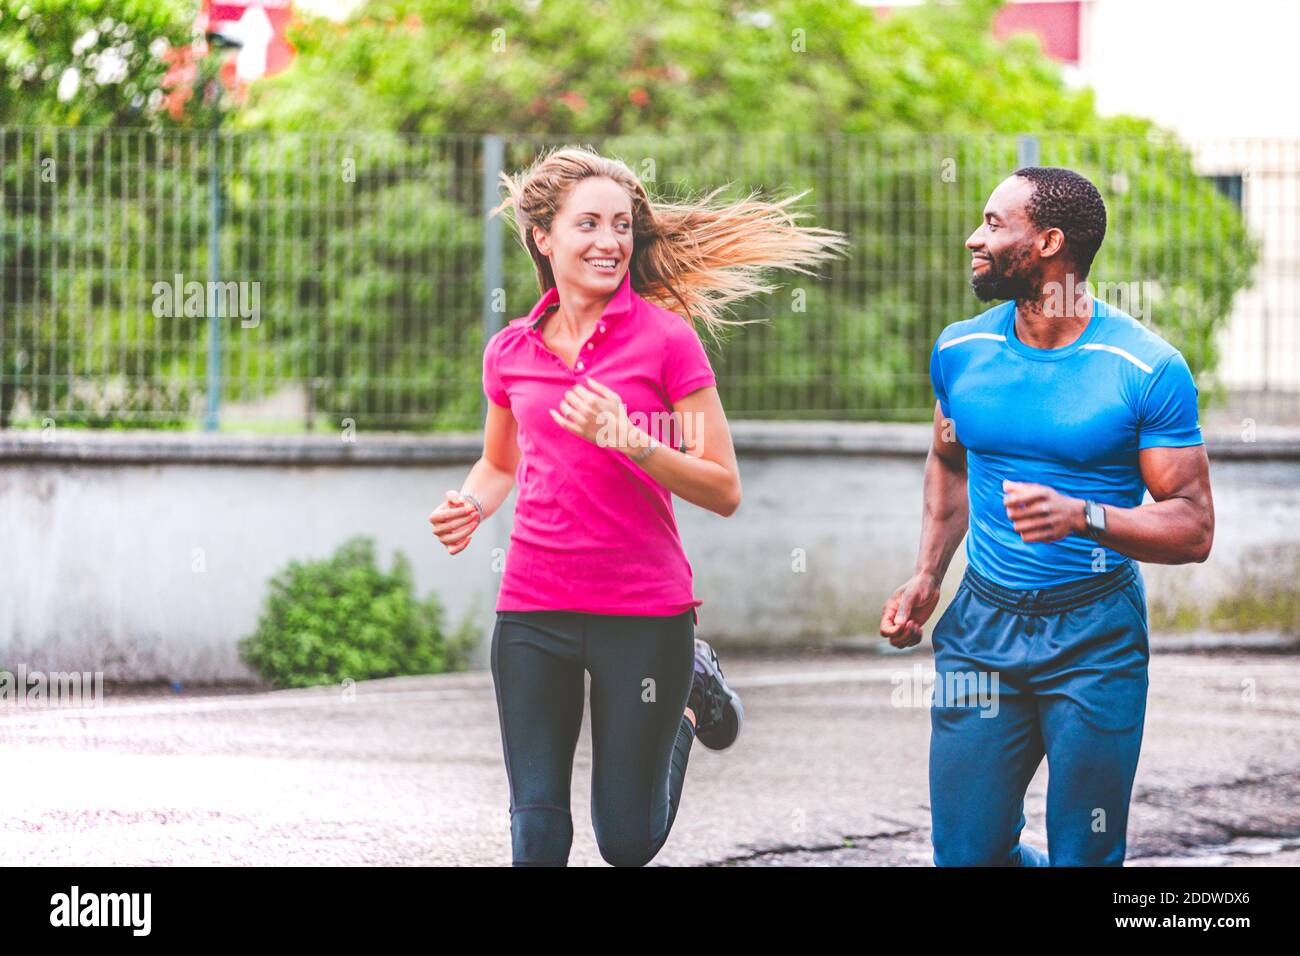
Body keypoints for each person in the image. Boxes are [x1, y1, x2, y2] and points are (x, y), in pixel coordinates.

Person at [431, 146, 845, 867]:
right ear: (543, 237)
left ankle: (693, 692)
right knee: (536, 833)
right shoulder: (510, 351)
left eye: (621, 225)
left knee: (625, 842)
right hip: (533, 609)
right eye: (587, 223)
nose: (610, 242)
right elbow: (500, 463)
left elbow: (724, 488)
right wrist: (470, 502)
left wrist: (633, 443)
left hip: (644, 616)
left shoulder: (667, 342)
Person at [880, 166, 1215, 866]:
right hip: (981, 629)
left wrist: (1084, 517)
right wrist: (926, 575)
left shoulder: (1145, 368)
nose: (975, 238)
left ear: (1049, 242)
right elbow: (950, 460)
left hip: (1095, 637)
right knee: (967, 856)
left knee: (1084, 854)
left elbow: (1192, 527)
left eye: (996, 224)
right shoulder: (959, 351)